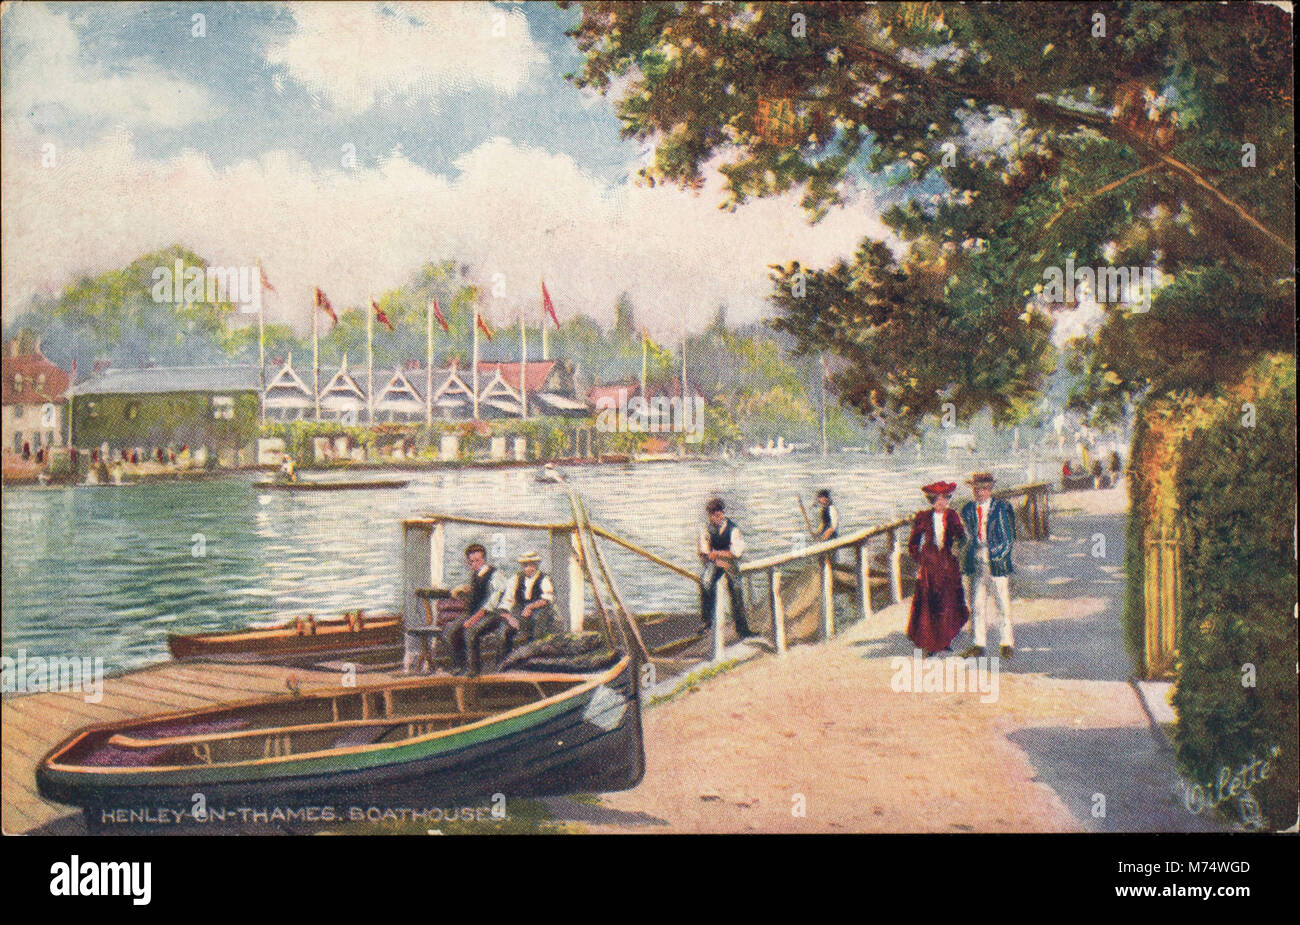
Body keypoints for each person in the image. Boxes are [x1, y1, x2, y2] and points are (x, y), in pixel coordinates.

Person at [906, 480, 969, 656]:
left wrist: (957, 549)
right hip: (930, 566)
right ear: (931, 501)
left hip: (947, 563)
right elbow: (913, 543)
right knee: (930, 603)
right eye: (936, 500)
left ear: (947, 500)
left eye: (944, 499)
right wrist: (920, 559)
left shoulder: (952, 516)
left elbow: (962, 537)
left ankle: (945, 639)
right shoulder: (923, 517)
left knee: (948, 601)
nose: (940, 503)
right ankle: (931, 643)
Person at [959, 473, 1016, 659]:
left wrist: (998, 556)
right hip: (976, 560)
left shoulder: (1001, 508)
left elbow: (1008, 538)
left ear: (990, 489)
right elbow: (966, 536)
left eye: (983, 488)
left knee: (1001, 602)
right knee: (976, 604)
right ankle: (978, 643)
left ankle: (1006, 642)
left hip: (995, 560)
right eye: (976, 489)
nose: (979, 492)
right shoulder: (967, 510)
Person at [441, 543, 509, 676]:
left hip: (493, 615)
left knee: (470, 632)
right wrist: (462, 590)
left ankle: (473, 670)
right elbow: (477, 592)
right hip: (475, 612)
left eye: (478, 560)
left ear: (484, 559)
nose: (475, 564)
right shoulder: (475, 575)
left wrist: (473, 619)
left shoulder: (496, 575)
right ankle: (460, 666)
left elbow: (491, 603)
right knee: (448, 632)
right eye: (472, 561)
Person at [698, 498, 756, 639]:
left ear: (722, 513)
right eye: (712, 515)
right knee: (705, 582)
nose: (716, 517)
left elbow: (736, 553)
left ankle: (742, 628)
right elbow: (704, 552)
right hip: (715, 563)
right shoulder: (706, 529)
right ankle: (708, 621)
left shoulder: (733, 529)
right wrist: (714, 557)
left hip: (729, 564)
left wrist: (718, 554)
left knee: (736, 590)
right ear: (709, 515)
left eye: (718, 514)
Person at [501, 551, 557, 658]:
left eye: (531, 565)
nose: (528, 568)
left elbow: (546, 599)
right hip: (520, 611)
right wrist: (509, 617)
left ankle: (536, 658)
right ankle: (506, 659)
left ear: (536, 565)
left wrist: (530, 607)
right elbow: (507, 600)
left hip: (539, 610)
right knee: (506, 630)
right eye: (525, 565)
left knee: (537, 626)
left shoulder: (544, 578)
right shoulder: (516, 578)